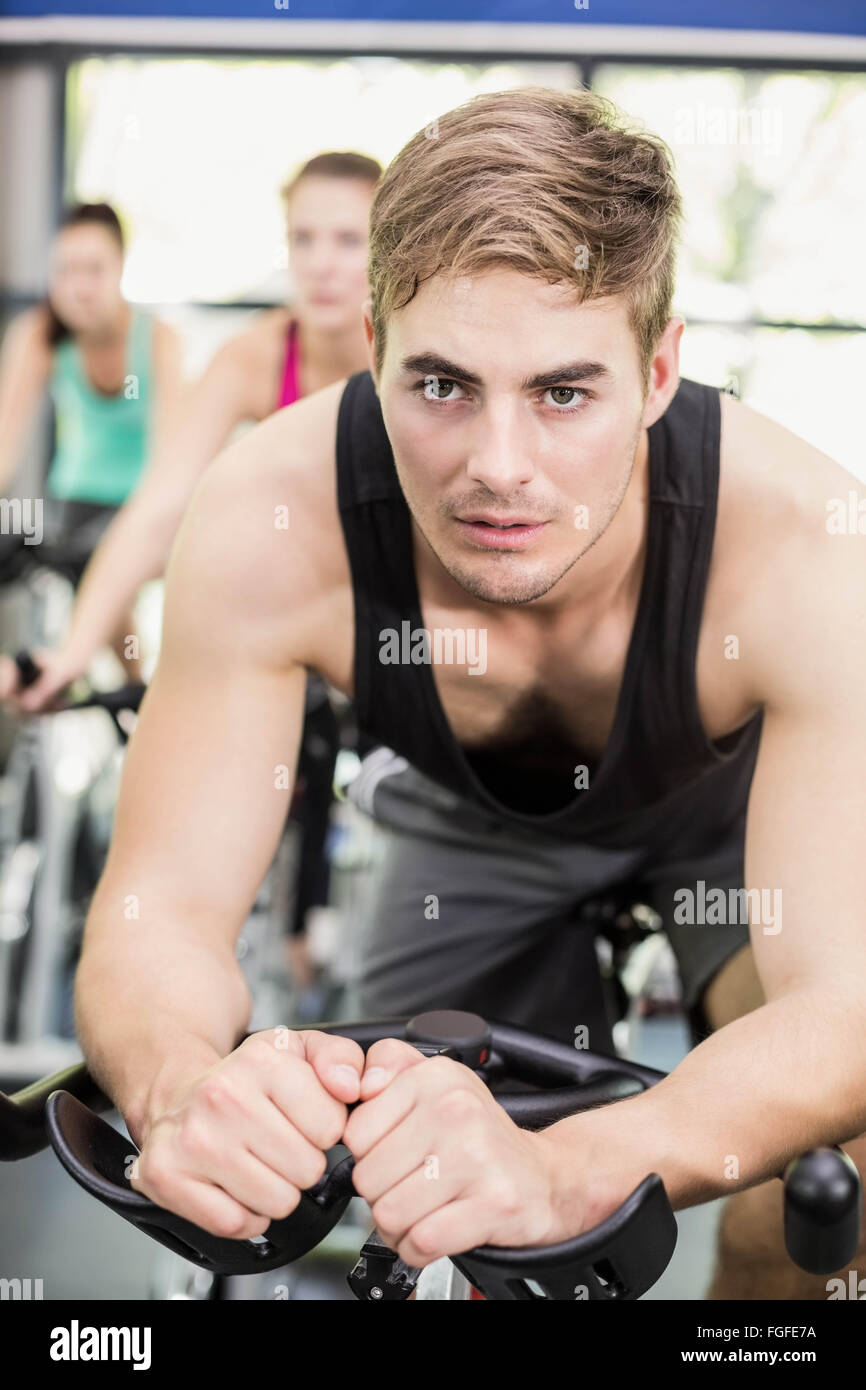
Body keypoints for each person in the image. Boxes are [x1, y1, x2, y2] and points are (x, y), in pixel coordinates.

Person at [72, 87, 866, 1297]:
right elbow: (157, 917)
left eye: (562, 392)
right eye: (441, 385)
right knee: (414, 1212)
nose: (499, 468)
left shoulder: (805, 541)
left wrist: (586, 1162)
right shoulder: (268, 516)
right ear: (374, 353)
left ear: (656, 372)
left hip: (728, 826)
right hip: (465, 823)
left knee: (831, 1181)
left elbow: (847, 1006)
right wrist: (185, 1084)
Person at [0, 152, 382, 972]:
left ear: (390, 246)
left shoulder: (417, 355)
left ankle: (317, 926)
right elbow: (159, 510)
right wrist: (70, 655)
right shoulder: (254, 356)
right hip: (308, 624)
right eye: (304, 238)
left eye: (349, 240)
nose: (321, 262)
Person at [0, 201, 185, 676]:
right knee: (98, 587)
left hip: (147, 503)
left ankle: (149, 687)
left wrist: (145, 526)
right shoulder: (40, 333)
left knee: (127, 571)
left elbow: (173, 453)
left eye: (93, 269)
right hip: (78, 502)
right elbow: (5, 441)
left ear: (120, 269)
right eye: (66, 270)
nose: (79, 286)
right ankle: (132, 687)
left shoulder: (158, 338)